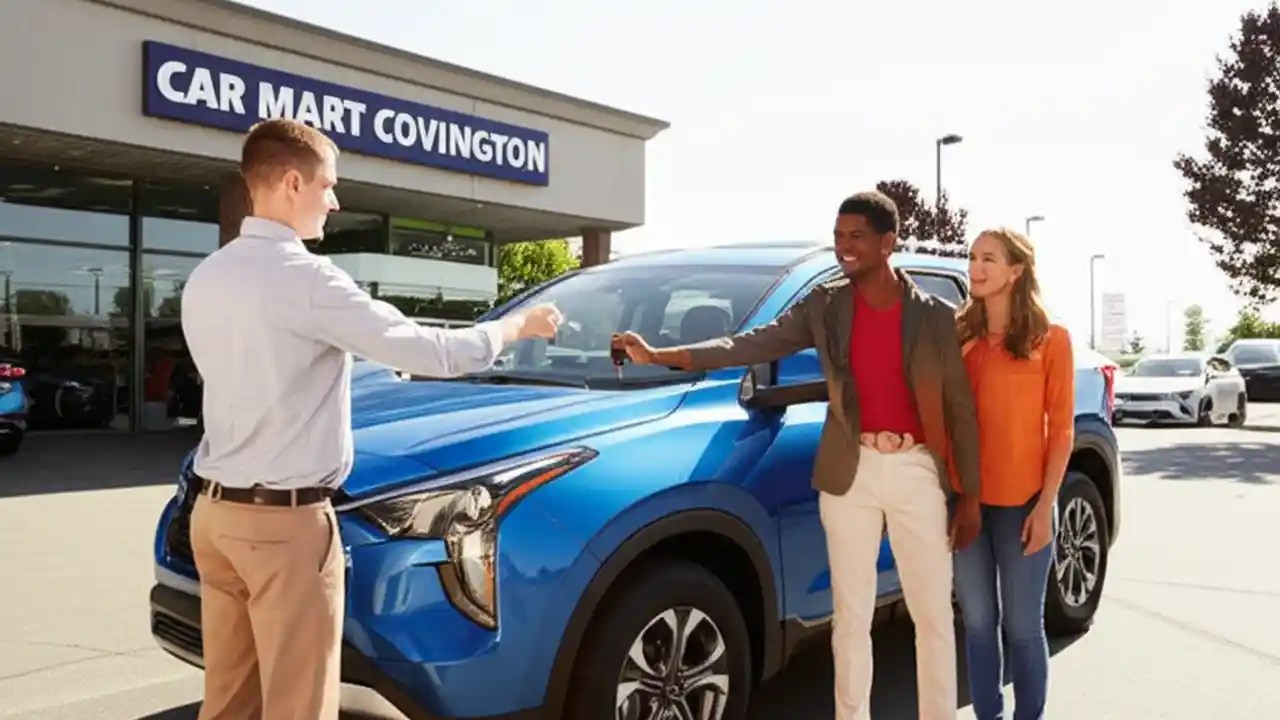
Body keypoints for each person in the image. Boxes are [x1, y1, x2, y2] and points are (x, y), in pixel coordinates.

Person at [180, 118, 562, 720]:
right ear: (289, 183)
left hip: (213, 515)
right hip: (284, 526)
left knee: (228, 702)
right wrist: (517, 327)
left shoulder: (208, 276)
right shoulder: (305, 279)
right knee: (298, 707)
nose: (335, 200)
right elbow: (428, 352)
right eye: (327, 185)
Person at [615, 190, 982, 720]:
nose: (844, 247)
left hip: (915, 470)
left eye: (856, 237)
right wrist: (660, 355)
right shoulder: (824, 304)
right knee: (851, 617)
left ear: (887, 242)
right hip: (848, 471)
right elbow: (751, 344)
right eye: (837, 237)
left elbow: (960, 410)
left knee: (932, 616)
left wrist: (967, 495)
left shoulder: (935, 318)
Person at [951, 227, 1073, 720]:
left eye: (989, 259)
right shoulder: (959, 337)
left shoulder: (1051, 341)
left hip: (1025, 505)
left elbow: (1062, 431)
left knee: (1023, 627)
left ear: (1016, 271)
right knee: (979, 624)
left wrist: (1045, 508)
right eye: (973, 257)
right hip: (967, 504)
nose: (976, 268)